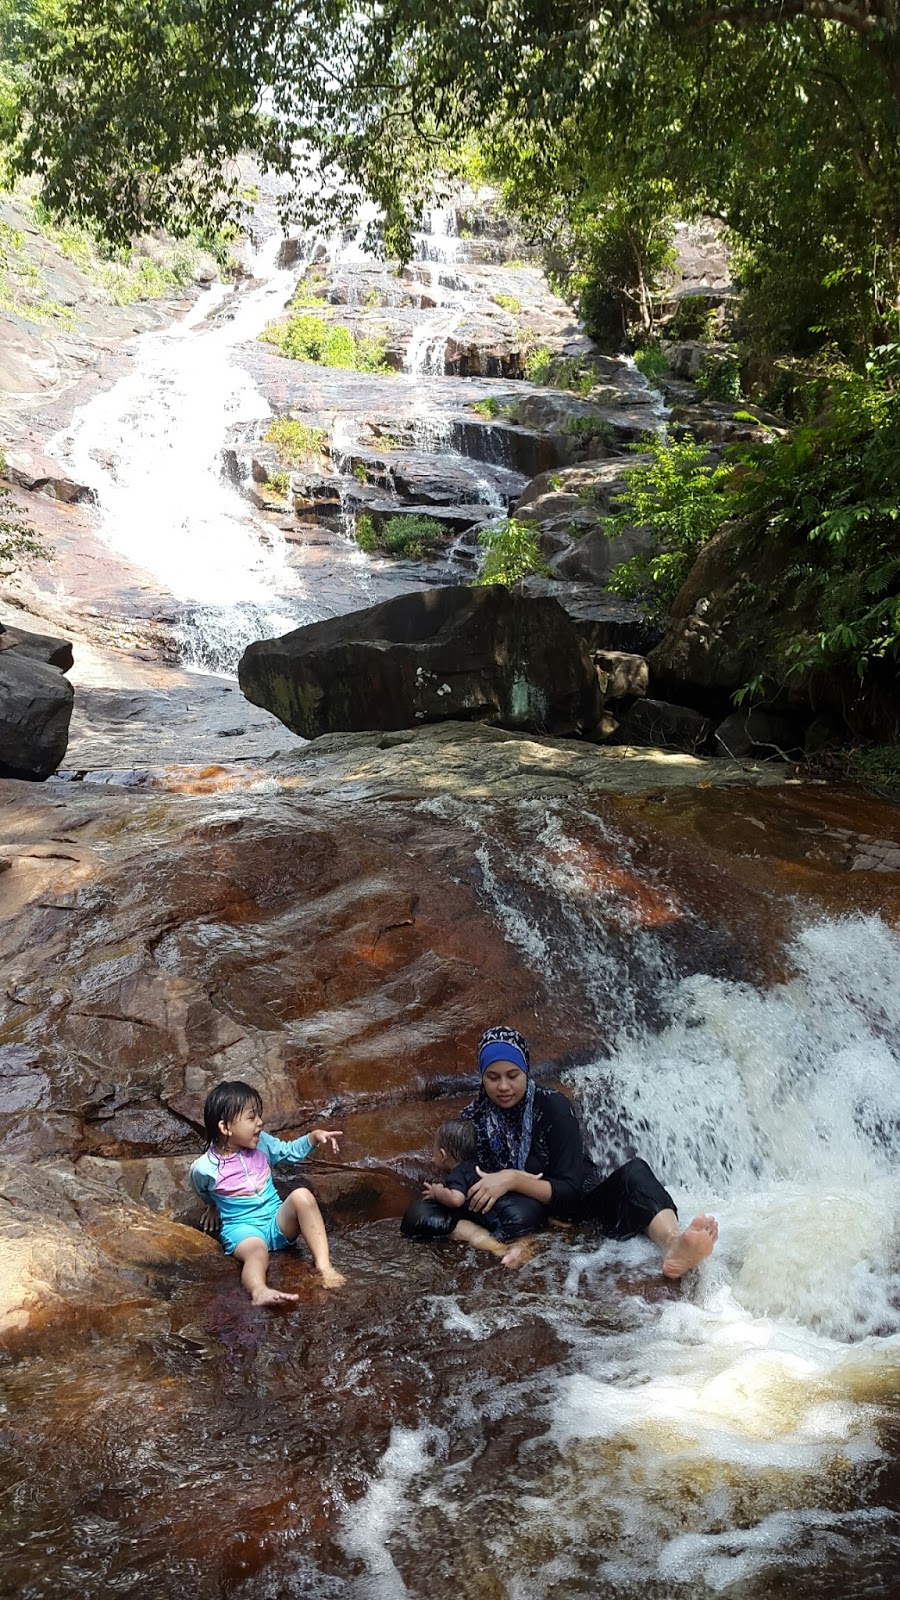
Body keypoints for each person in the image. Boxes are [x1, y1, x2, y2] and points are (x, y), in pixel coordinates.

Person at [401, 1025, 718, 1274]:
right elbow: (466, 1175)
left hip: (578, 1205)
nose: (503, 1087)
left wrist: (511, 1178)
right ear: (481, 1077)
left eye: (513, 1076)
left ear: (526, 1071)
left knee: (635, 1174)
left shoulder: (552, 1108)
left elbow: (571, 1192)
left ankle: (675, 1244)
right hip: (518, 1213)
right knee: (420, 1214)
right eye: (492, 1077)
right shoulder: (475, 1119)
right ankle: (496, 1245)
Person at [190, 1079, 346, 1305]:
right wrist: (212, 1206)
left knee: (302, 1195)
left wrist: (312, 1137)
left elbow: (288, 1152)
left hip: (277, 1221)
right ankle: (259, 1291)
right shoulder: (204, 1168)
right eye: (252, 1118)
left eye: (259, 1116)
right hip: (244, 1230)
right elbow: (202, 1189)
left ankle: (324, 1267)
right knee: (256, 1254)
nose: (260, 1123)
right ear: (225, 1128)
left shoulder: (262, 1144)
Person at [419, 1118, 510, 1260]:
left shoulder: (458, 1174)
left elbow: (456, 1199)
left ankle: (502, 1251)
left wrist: (436, 1192)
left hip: (496, 1222)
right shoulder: (480, 1166)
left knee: (485, 1240)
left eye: (434, 1149)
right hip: (508, 1212)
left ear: (442, 1155)